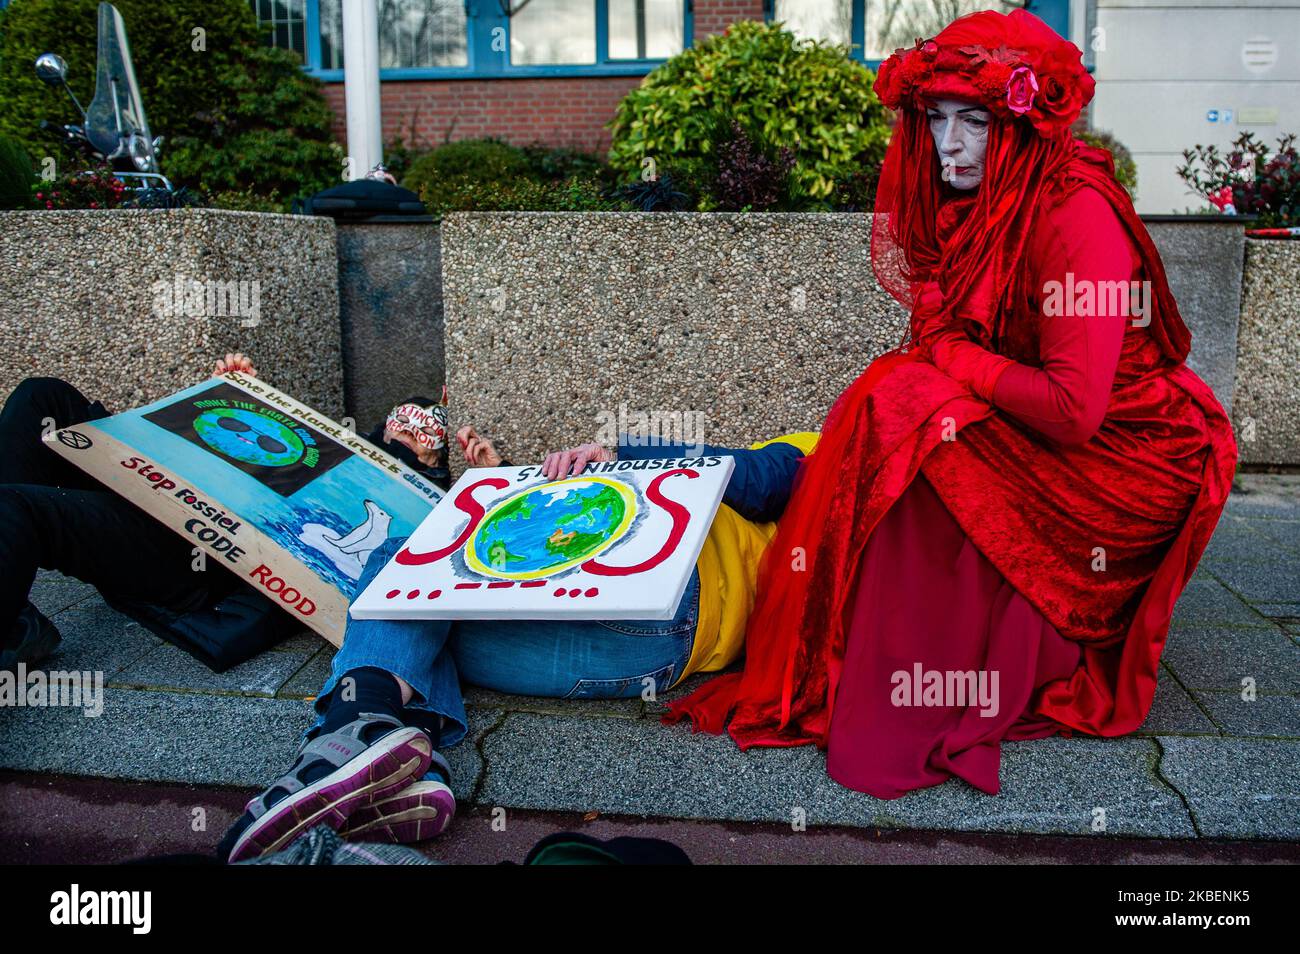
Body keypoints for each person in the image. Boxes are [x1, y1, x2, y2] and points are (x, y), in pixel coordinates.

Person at [662, 9, 1237, 799]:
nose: (949, 144)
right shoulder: (991, 197)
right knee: (896, 400)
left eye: (976, 121)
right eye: (936, 120)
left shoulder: (1078, 217)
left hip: (1126, 461)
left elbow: (1073, 410)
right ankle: (864, 645)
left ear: (1028, 123)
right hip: (1053, 428)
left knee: (906, 402)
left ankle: (900, 659)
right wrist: (947, 362)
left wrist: (953, 357)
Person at [218, 426, 819, 862]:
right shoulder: (886, 478)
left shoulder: (847, 433)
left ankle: (350, 732)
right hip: (657, 632)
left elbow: (766, 477)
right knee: (414, 601)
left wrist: (623, 455)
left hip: (668, 594)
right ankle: (400, 763)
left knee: (396, 573)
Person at [0, 354, 450, 674]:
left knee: (14, 507)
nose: (413, 429)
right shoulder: (328, 447)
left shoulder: (419, 495)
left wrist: (433, 471)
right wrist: (241, 395)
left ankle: (14, 566)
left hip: (187, 545)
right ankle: (14, 601)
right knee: (41, 397)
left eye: (428, 433)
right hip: (155, 485)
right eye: (404, 419)